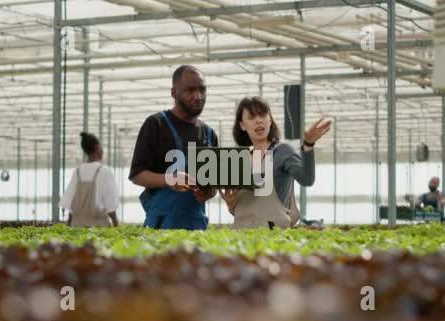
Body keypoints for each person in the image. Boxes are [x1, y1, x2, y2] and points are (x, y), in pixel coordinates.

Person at [219, 96, 331, 229]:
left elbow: (306, 179)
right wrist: (231, 205)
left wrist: (308, 144)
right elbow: (246, 211)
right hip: (240, 237)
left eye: (263, 115)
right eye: (252, 117)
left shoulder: (282, 152)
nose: (259, 121)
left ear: (270, 119)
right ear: (242, 125)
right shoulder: (239, 159)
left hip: (272, 235)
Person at [129, 65, 219, 230]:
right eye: (190, 90)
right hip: (160, 225)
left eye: (202, 90)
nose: (198, 96)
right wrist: (169, 179)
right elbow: (137, 175)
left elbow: (213, 186)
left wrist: (208, 193)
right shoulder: (156, 124)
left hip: (196, 225)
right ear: (173, 93)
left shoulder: (209, 134)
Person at [59, 132, 119, 227]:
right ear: (97, 147)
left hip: (77, 227)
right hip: (98, 227)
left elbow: (70, 201)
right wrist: (116, 224)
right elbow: (110, 205)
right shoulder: (104, 171)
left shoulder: (78, 171)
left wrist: (69, 225)